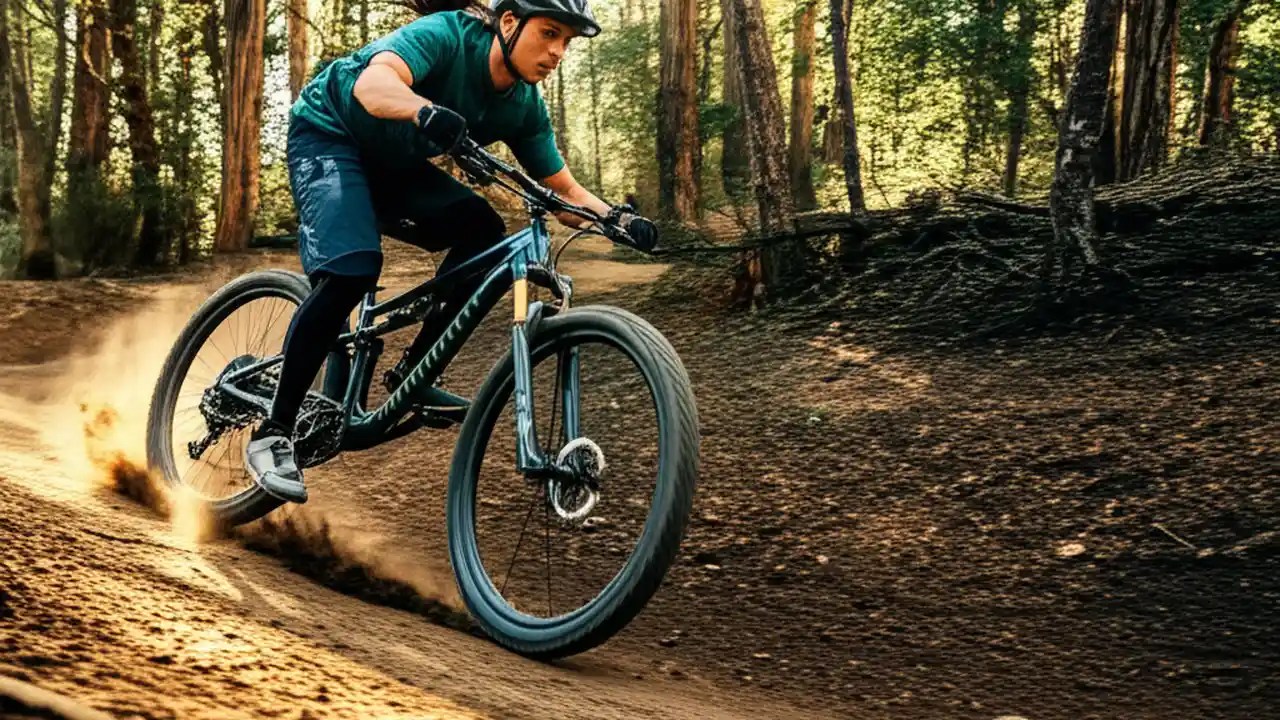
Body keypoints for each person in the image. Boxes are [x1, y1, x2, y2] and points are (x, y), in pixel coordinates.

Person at [243, 0, 659, 504]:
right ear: (509, 22)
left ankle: (413, 375)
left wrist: (615, 218)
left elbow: (565, 194)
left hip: (395, 162)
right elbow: (371, 88)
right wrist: (423, 109)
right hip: (332, 134)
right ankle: (274, 433)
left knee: (484, 232)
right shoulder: (445, 36)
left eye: (567, 42)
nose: (557, 52)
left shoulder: (523, 105)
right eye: (549, 33)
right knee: (353, 272)